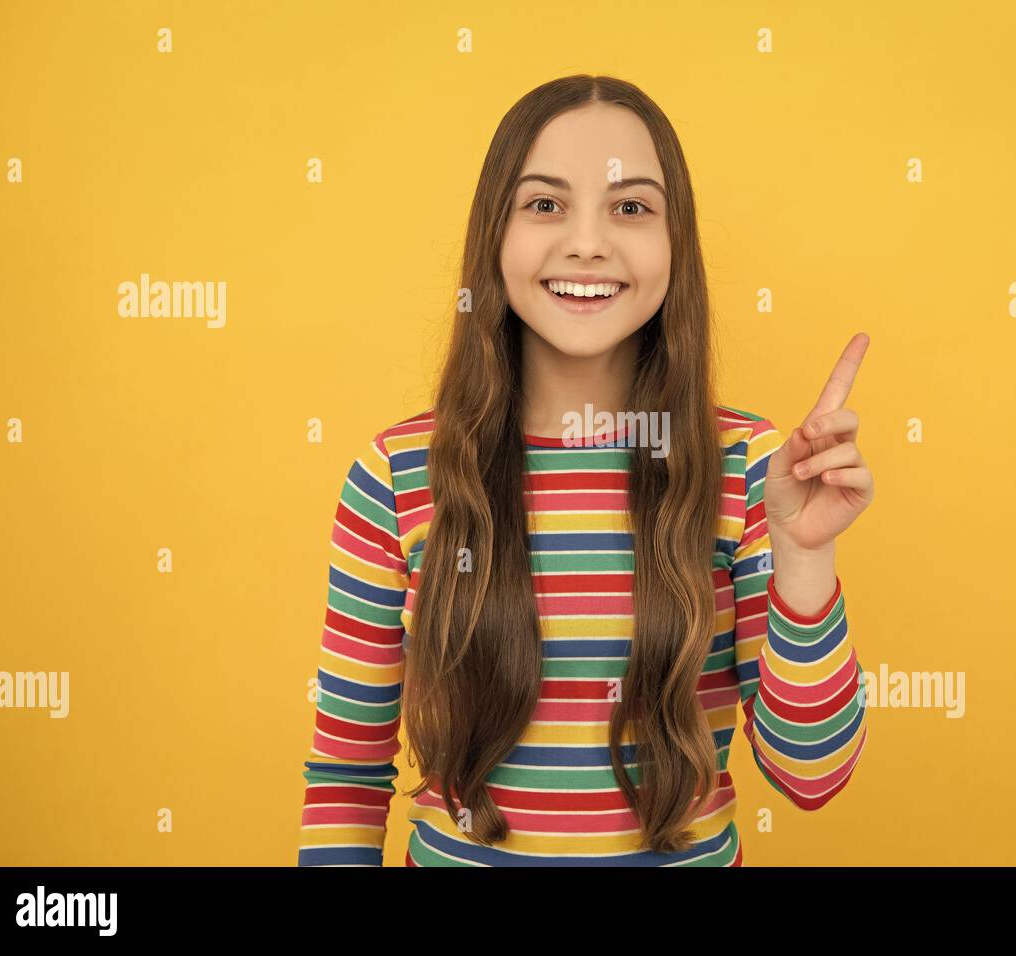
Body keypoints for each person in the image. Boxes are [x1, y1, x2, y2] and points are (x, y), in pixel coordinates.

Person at [297, 74, 874, 866]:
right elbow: (346, 775)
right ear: (494, 235)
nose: (588, 242)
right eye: (545, 204)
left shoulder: (752, 468)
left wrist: (806, 560)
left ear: (677, 245)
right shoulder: (396, 476)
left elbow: (813, 775)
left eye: (631, 208)